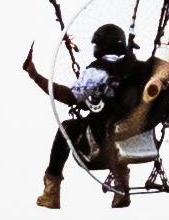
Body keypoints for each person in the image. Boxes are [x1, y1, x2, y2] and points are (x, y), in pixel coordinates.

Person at [23, 22, 150, 209]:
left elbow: (70, 97)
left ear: (102, 45)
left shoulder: (98, 70)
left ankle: (51, 192)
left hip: (102, 137)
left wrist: (35, 76)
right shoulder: (139, 69)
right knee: (111, 128)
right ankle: (121, 185)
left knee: (67, 128)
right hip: (136, 133)